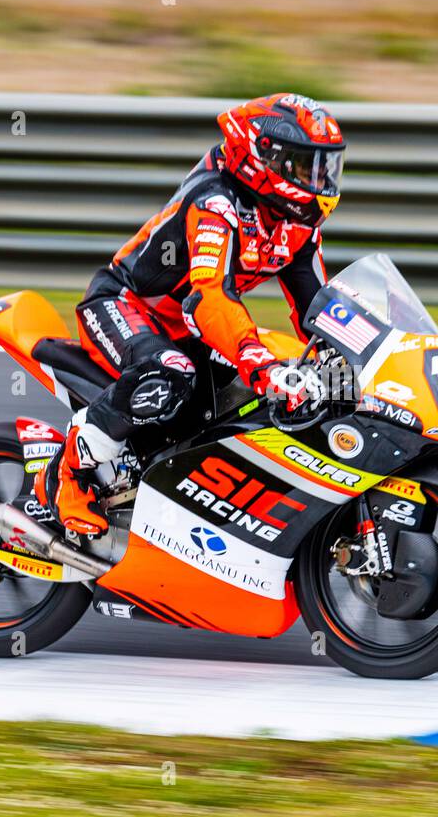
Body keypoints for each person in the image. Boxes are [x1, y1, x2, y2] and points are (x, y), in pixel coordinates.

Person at [35, 93, 346, 536]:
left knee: (287, 371)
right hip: (124, 304)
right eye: (303, 166)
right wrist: (258, 360)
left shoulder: (296, 225)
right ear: (263, 159)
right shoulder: (215, 202)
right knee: (175, 371)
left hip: (184, 327)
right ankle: (68, 475)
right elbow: (209, 299)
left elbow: (318, 309)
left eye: (324, 167)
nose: (317, 180)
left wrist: (350, 368)